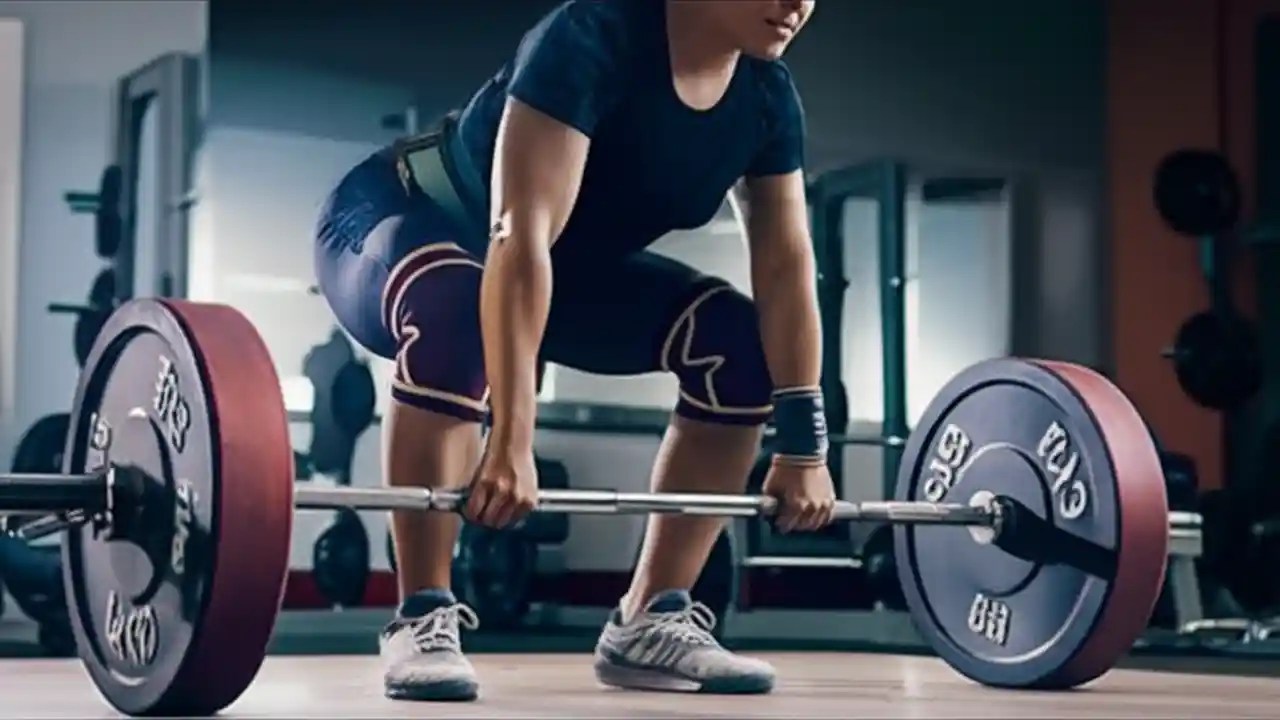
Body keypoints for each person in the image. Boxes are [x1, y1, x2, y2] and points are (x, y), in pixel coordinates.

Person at [314, 0, 831, 703]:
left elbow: (785, 267)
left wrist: (805, 451)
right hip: (403, 217)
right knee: (457, 309)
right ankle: (422, 613)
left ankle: (651, 618)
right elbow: (517, 233)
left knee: (736, 346)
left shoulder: (768, 98)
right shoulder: (592, 37)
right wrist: (511, 439)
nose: (793, 3)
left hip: (557, 269)